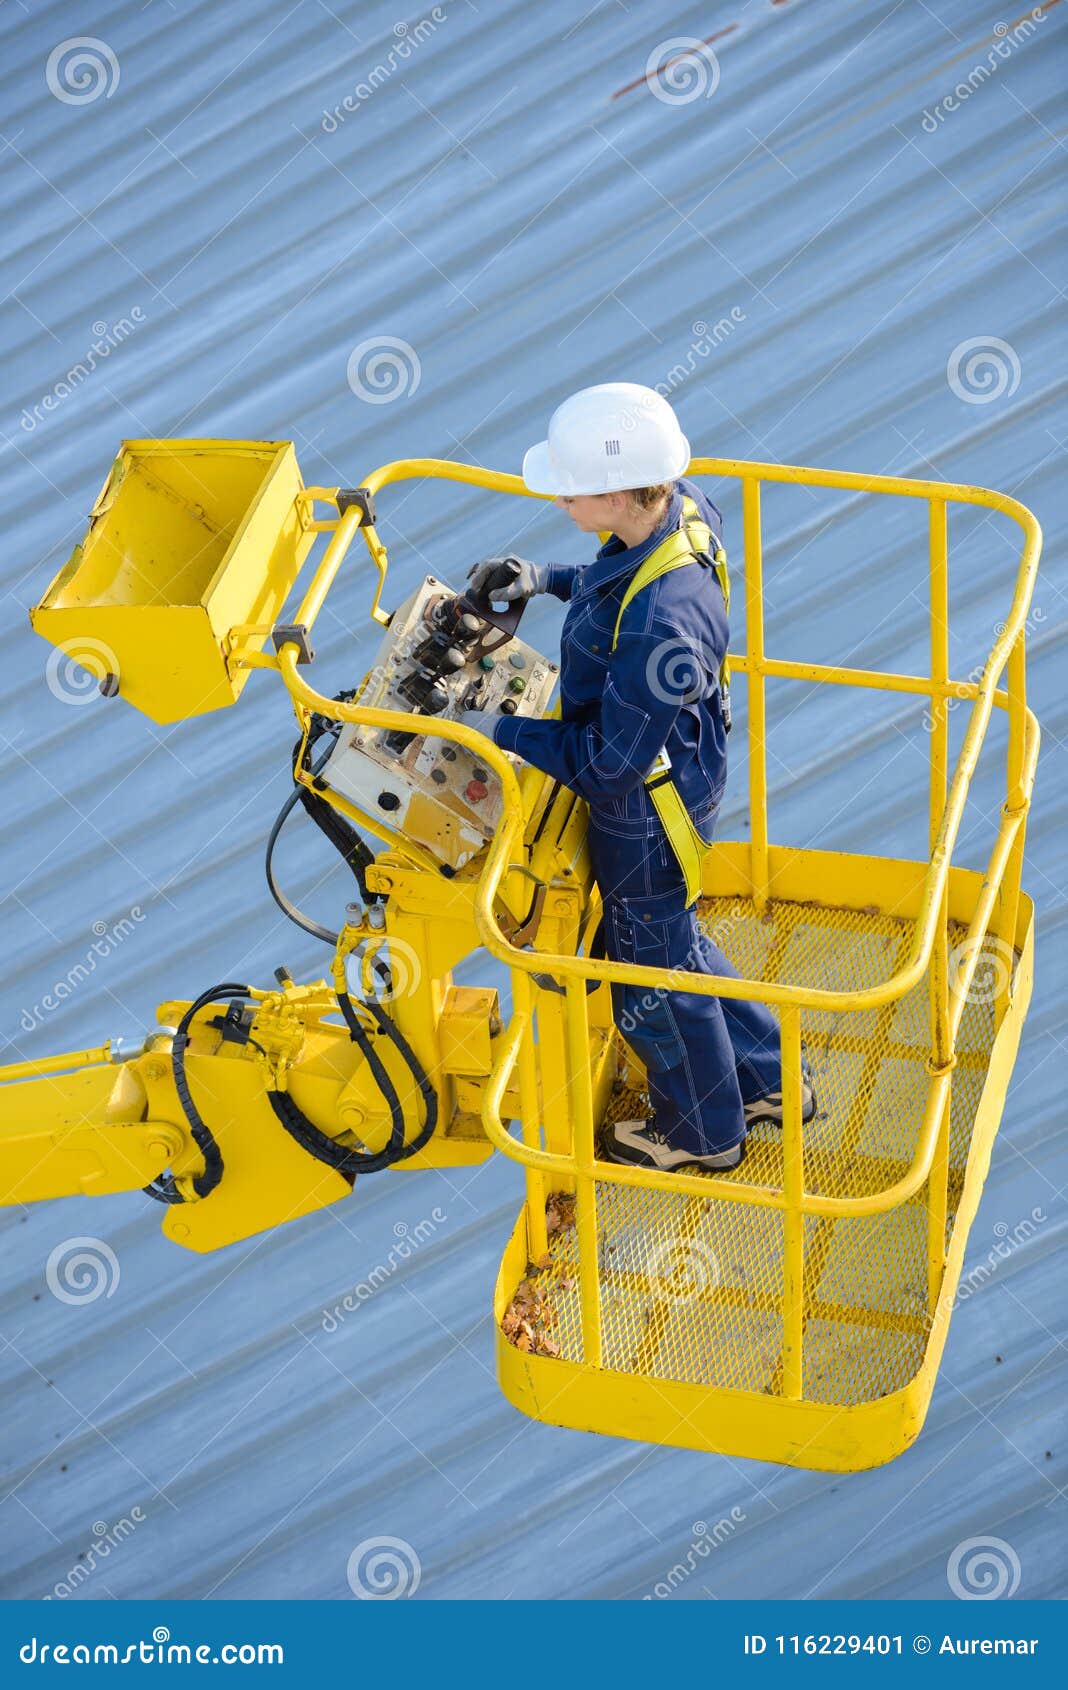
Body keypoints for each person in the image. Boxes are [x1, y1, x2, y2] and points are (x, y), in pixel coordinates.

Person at [460, 383, 814, 1170]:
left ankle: (702, 1135)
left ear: (618, 491)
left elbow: (607, 767)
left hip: (647, 813)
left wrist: (493, 731)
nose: (557, 498)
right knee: (677, 940)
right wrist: (545, 577)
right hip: (686, 765)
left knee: (647, 976)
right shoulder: (683, 512)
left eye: (570, 488)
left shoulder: (662, 623)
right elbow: (616, 576)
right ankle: (773, 1082)